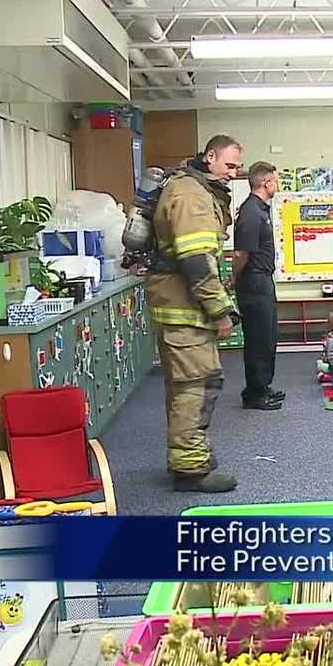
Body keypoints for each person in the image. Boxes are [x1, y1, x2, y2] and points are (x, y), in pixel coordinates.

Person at [147, 134, 243, 493]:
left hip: (180, 306)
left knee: (189, 384)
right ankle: (190, 470)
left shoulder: (192, 189)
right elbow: (197, 262)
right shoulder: (191, 196)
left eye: (237, 167)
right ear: (210, 156)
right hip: (185, 307)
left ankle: (188, 456)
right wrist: (220, 311)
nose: (234, 174)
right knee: (196, 386)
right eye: (229, 165)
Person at [231, 161, 283, 411]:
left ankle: (263, 386)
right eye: (275, 180)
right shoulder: (251, 212)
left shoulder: (261, 209)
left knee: (268, 335)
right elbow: (241, 254)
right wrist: (233, 279)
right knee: (258, 337)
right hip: (253, 280)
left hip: (263, 279)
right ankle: (254, 394)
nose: (278, 184)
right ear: (266, 182)